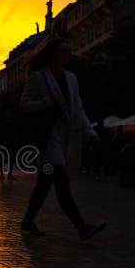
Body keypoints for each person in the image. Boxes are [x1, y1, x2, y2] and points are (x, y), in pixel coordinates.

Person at [19, 38, 106, 240]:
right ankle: (81, 226)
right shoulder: (39, 78)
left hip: (67, 136)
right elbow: (24, 105)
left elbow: (78, 108)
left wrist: (90, 133)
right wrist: (46, 102)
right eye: (62, 50)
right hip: (48, 137)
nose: (67, 53)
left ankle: (27, 221)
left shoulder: (71, 78)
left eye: (68, 50)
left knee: (45, 181)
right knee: (61, 180)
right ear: (52, 53)